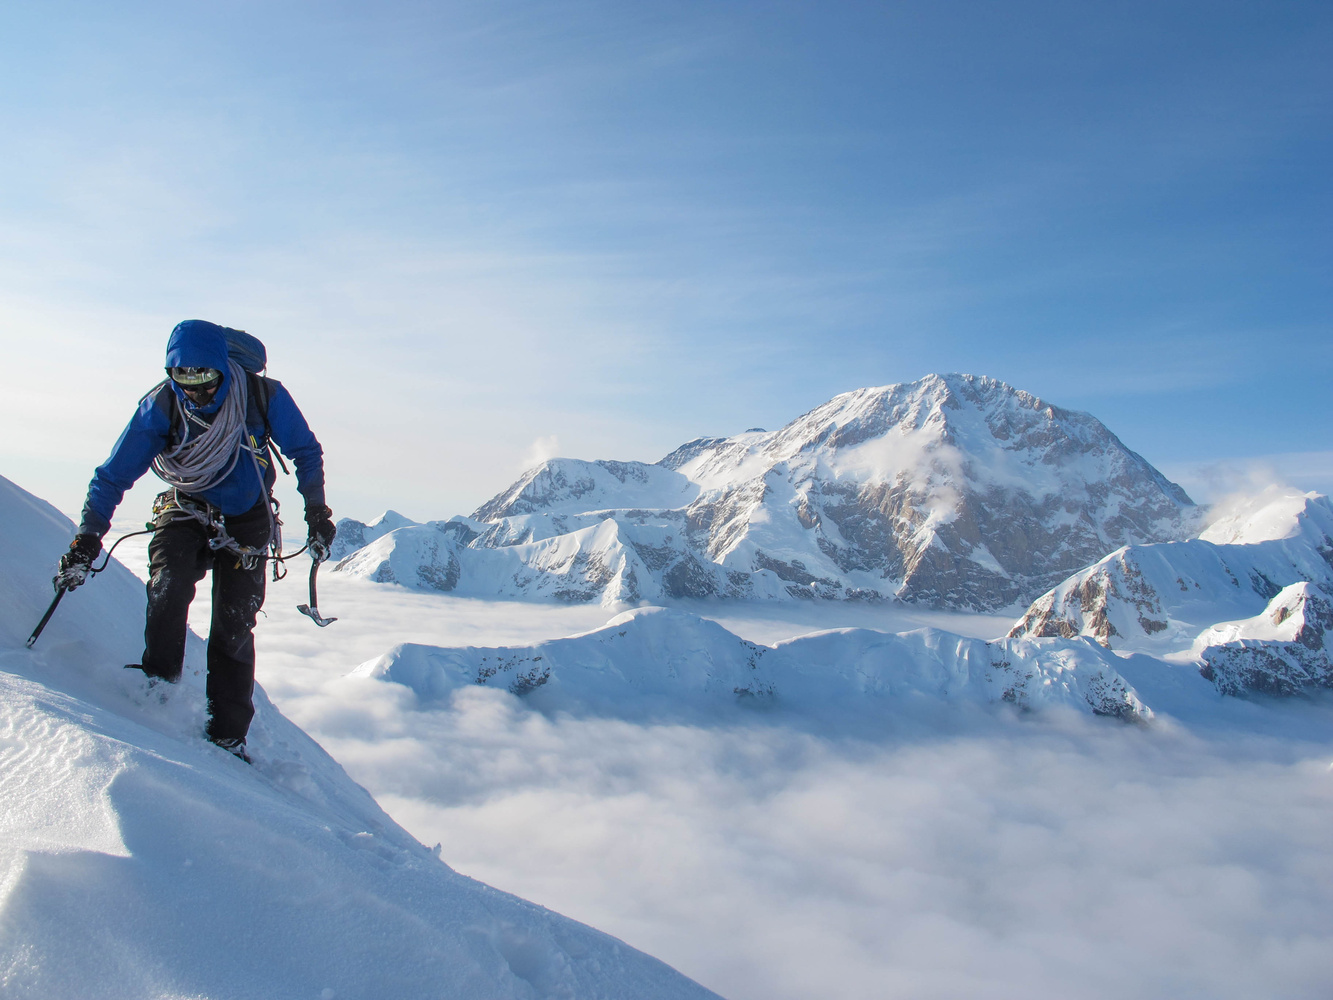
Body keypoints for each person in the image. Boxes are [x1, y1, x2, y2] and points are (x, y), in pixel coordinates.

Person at [55, 319, 336, 763]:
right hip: (186, 506)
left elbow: (304, 450)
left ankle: (227, 735)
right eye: (185, 380)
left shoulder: (263, 397)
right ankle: (156, 691)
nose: (197, 392)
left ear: (225, 369)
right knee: (168, 586)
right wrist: (88, 537)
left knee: (234, 623)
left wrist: (317, 510)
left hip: (247, 517)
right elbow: (112, 476)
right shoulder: (162, 406)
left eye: (206, 380)